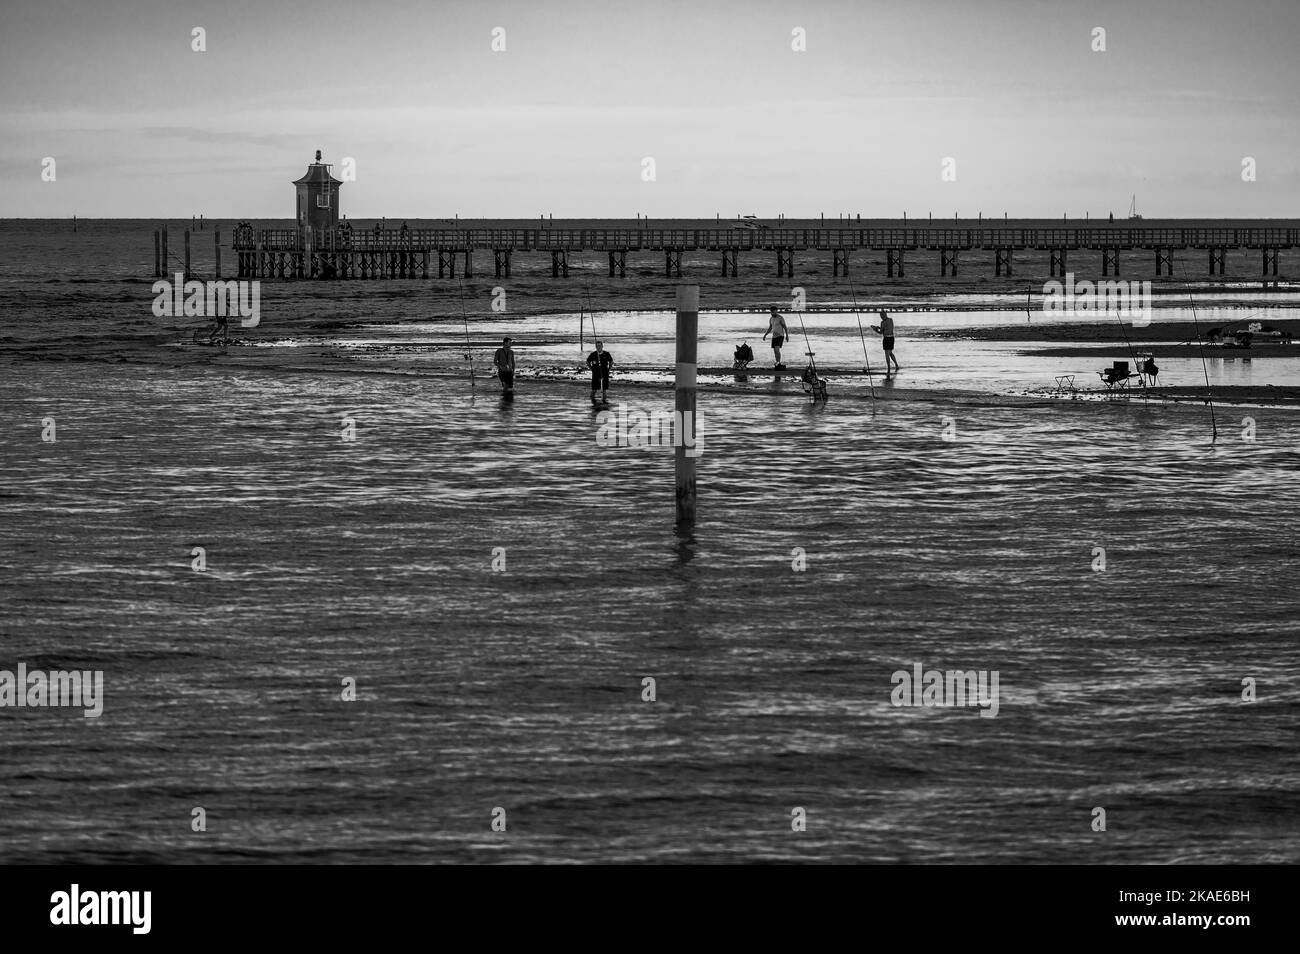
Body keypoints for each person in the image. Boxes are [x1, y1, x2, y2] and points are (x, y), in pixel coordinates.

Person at [873, 310, 900, 375]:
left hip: (887, 338)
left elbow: (881, 332)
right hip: (892, 338)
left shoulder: (883, 322)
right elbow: (887, 328)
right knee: (890, 353)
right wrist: (879, 328)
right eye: (880, 316)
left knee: (887, 354)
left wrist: (875, 330)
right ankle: (896, 365)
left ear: (884, 315)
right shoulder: (891, 320)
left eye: (882, 316)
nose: (881, 317)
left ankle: (888, 369)